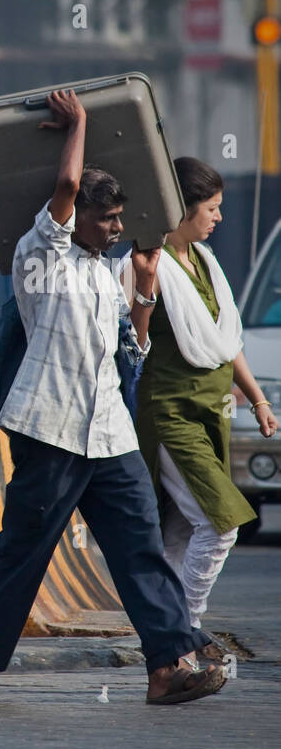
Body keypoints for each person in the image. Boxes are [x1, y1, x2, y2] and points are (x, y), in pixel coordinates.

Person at [0, 90, 227, 705]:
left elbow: (131, 352)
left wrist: (147, 290)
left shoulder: (106, 272)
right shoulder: (40, 255)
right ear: (75, 218)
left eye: (120, 218)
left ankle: (167, 665)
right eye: (107, 219)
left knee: (140, 547)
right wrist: (78, 124)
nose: (118, 228)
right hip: (51, 429)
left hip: (108, 433)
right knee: (24, 550)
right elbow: (69, 183)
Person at [124, 157, 278, 645]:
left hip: (212, 412)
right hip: (170, 412)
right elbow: (133, 341)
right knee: (220, 524)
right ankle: (184, 625)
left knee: (181, 532)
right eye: (210, 208)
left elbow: (224, 338)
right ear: (181, 209)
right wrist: (145, 290)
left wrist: (257, 400)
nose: (219, 218)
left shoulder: (204, 263)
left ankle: (163, 634)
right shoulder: (148, 263)